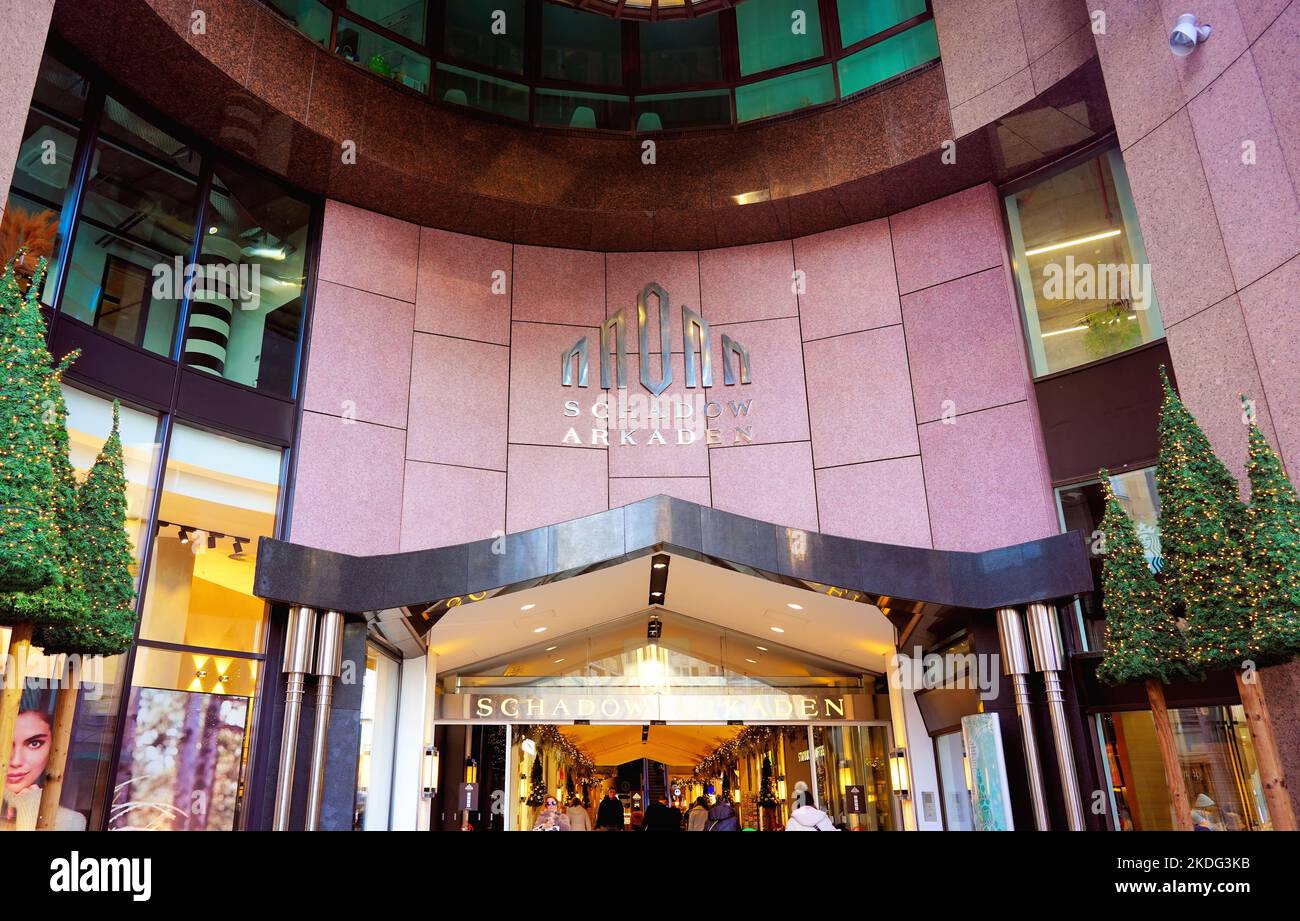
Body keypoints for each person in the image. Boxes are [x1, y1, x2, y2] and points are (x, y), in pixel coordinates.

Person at [4, 692, 86, 831]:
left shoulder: (69, 823)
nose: (16, 761)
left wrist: (27, 812)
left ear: (54, 747)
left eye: (34, 743)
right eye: (3, 743)